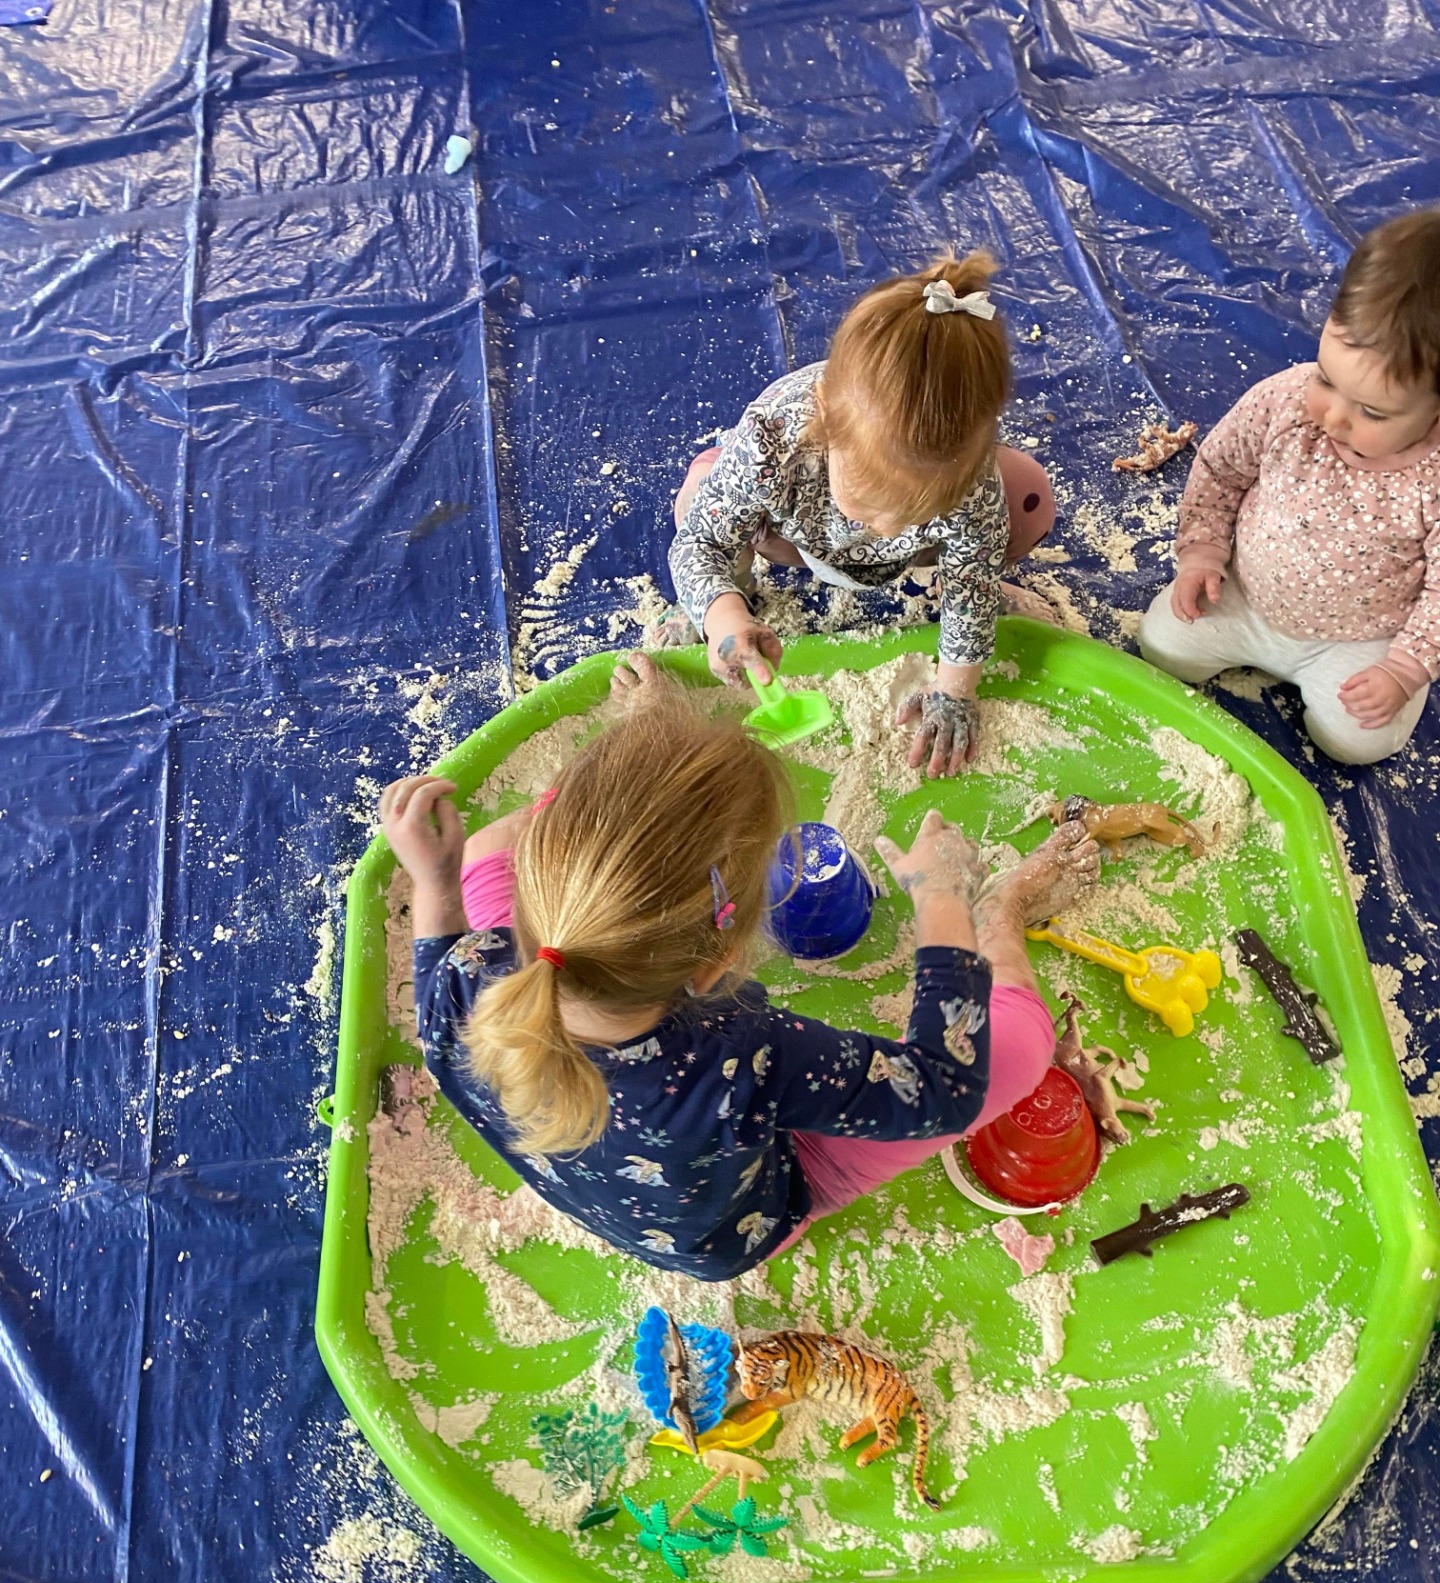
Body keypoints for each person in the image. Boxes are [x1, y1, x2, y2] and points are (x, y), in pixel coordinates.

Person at [378, 655, 1098, 1285]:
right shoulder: (741, 1052)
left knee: (485, 850)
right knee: (1021, 1050)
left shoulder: (470, 978)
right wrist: (947, 905)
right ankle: (1005, 919)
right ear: (719, 962)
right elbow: (941, 1091)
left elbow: (453, 937)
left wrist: (436, 880)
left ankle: (620, 804)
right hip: (734, 1226)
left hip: (600, 1180)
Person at [665, 251, 1055, 779]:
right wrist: (722, 617)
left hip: (903, 559)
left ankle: (958, 572)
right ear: (824, 423)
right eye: (873, 504)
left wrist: (955, 687)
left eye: (919, 509)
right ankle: (728, 597)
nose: (891, 527)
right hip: (792, 537)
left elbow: (968, 585)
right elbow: (700, 542)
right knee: (703, 502)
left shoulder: (974, 481)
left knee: (1026, 501)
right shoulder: (773, 442)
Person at [1139, 206, 1440, 765]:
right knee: (1161, 645)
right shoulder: (1286, 400)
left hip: (1358, 638)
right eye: (1327, 377)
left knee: (1356, 741)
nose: (1333, 415)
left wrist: (1404, 668)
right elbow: (1220, 470)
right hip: (1242, 595)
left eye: (1372, 411)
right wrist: (1201, 554)